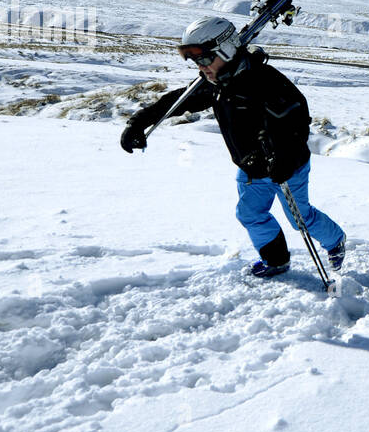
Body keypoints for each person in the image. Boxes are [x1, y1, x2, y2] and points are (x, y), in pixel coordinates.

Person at [119, 16, 345, 278]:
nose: (200, 67)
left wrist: (284, 159)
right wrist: (139, 122)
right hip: (250, 168)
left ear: (226, 49)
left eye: (203, 58)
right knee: (249, 214)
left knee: (300, 218)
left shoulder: (265, 83)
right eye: (193, 60)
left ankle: (335, 241)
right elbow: (178, 101)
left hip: (288, 169)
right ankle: (277, 261)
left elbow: (297, 124)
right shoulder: (216, 85)